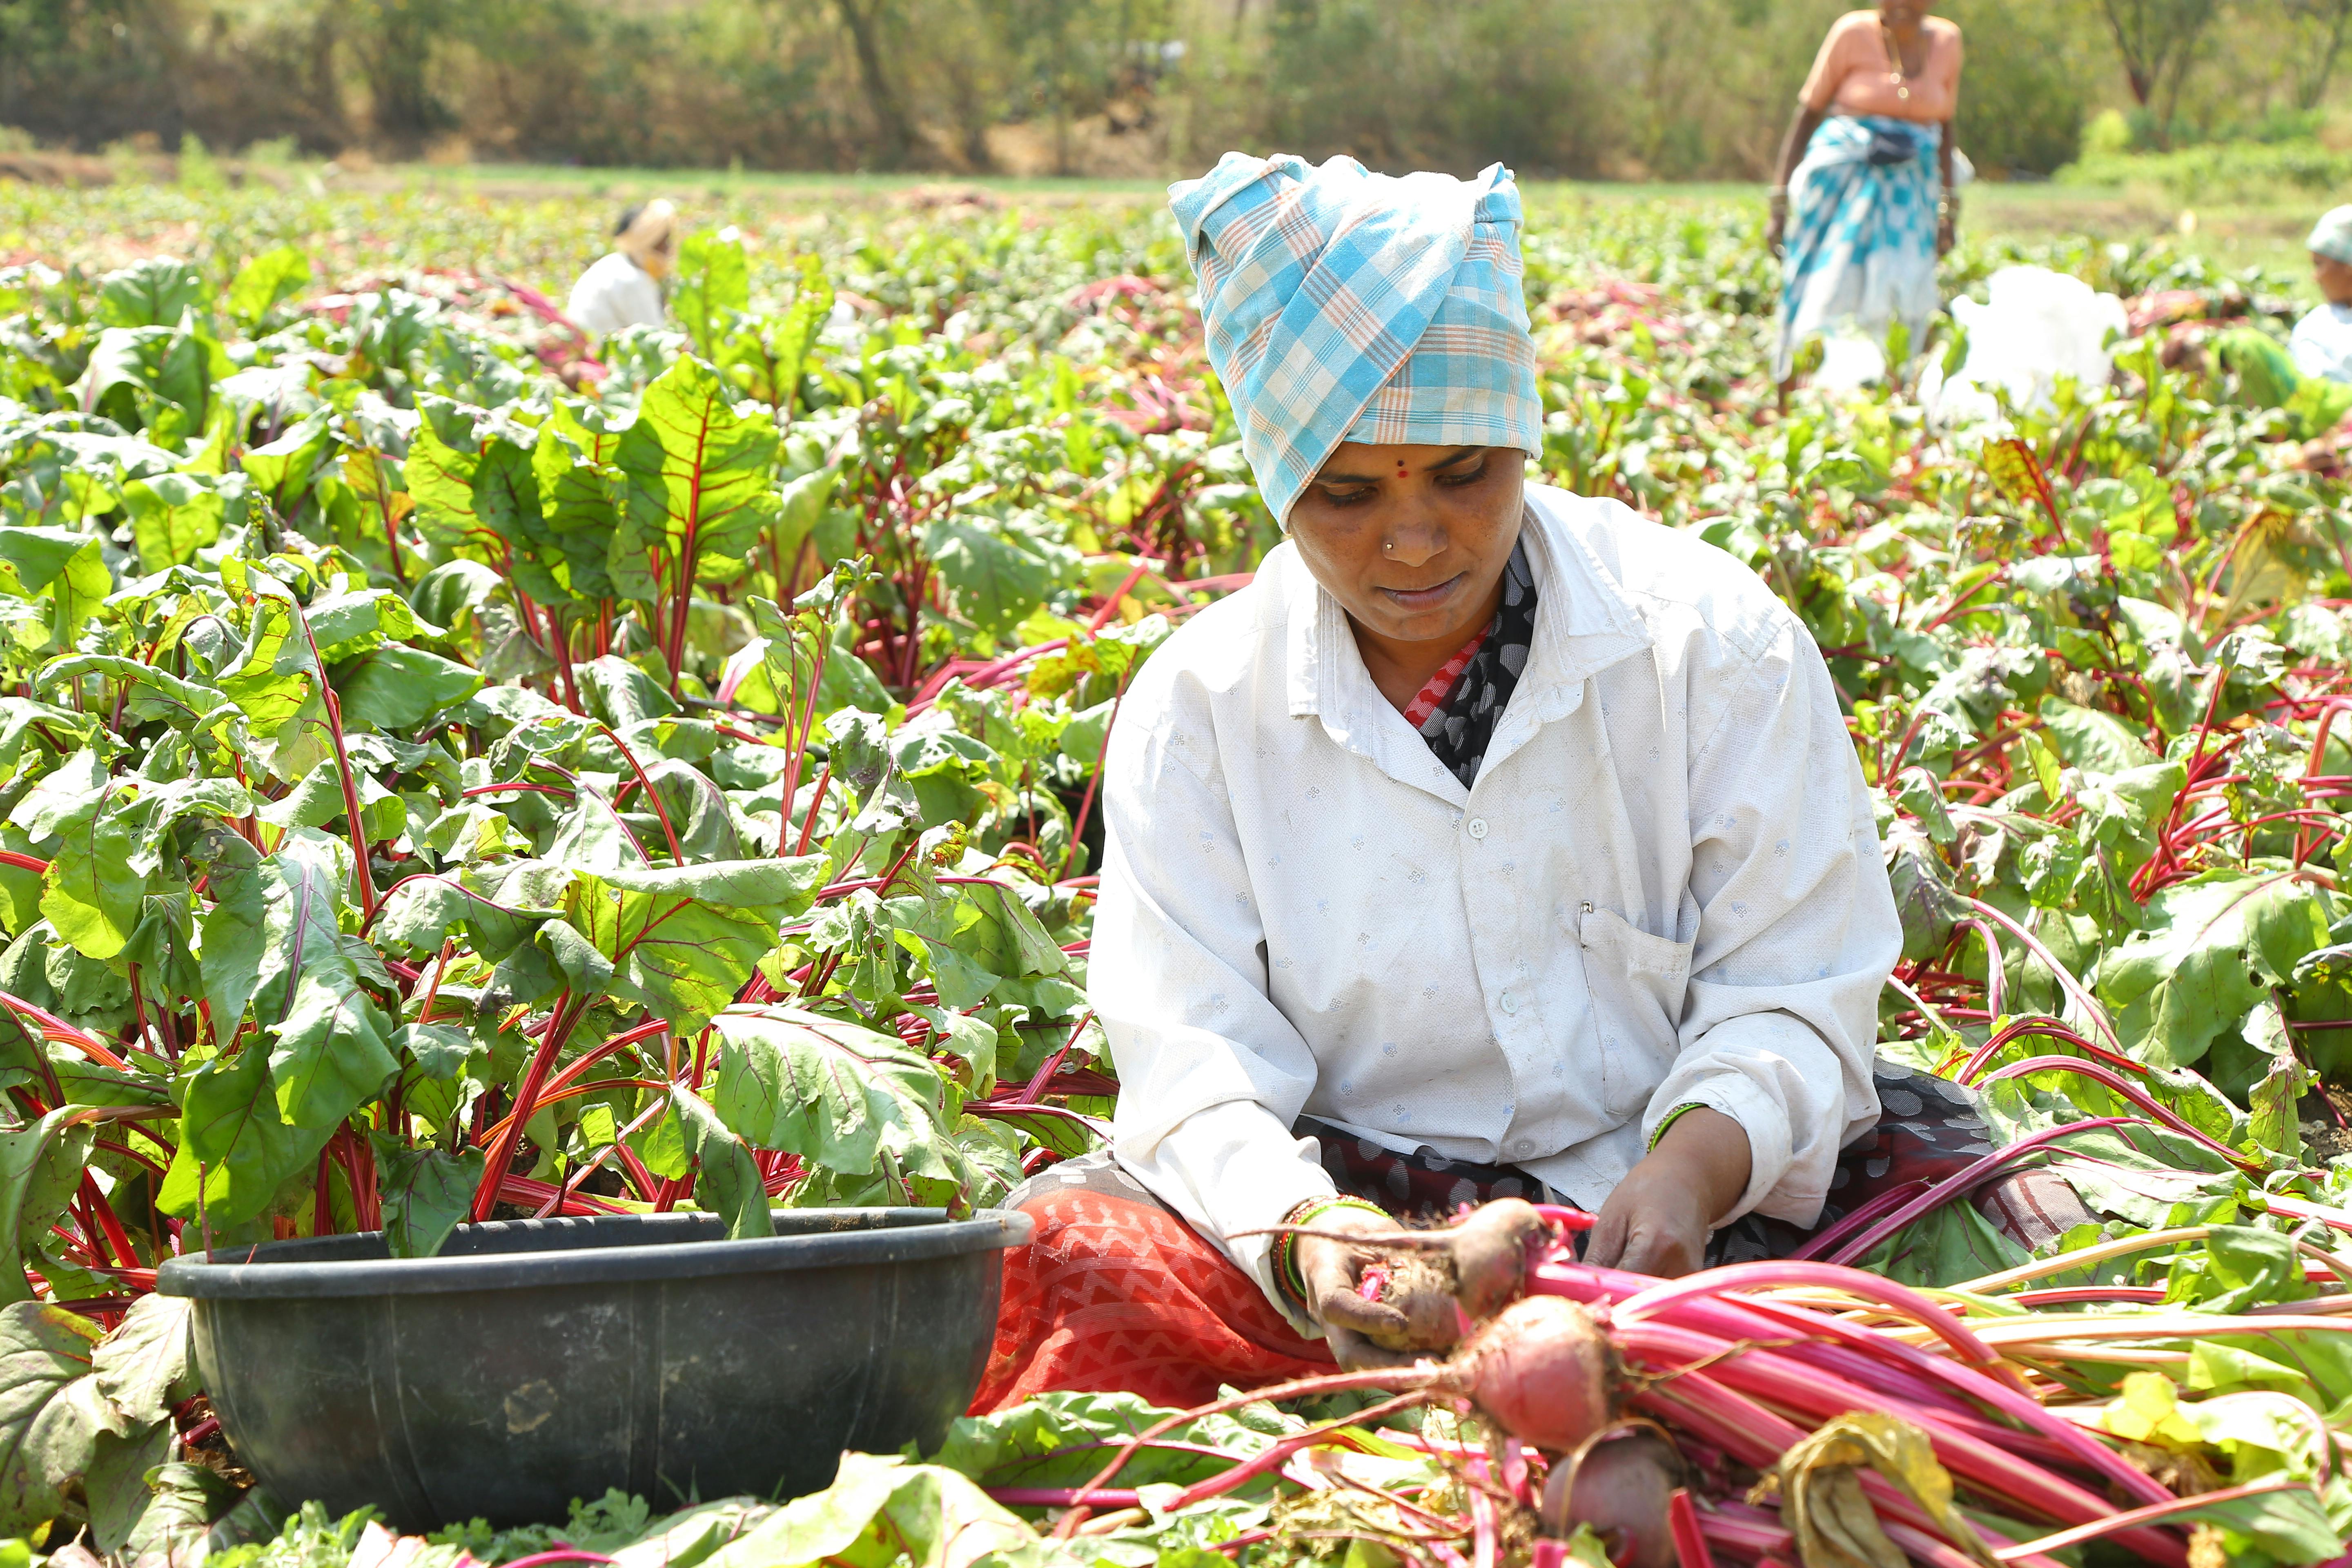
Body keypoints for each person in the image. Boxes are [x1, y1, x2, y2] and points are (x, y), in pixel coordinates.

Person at [971, 154, 2074, 1417]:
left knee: (2002, 1224)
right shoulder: (1202, 707)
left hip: (1686, 1191)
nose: (1414, 538)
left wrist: (1691, 1173)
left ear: (1523, 436)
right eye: (1347, 493)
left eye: (1464, 473)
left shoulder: (1713, 643)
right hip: (1357, 1217)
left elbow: (1796, 983)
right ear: (1275, 478)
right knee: (1055, 1254)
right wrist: (1314, 1237)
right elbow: (1192, 1061)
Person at [1766, 2, 1964, 381]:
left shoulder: (1947, 42)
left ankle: (1889, 390)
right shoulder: (1852, 33)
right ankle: (1802, 384)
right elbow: (1807, 115)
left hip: (1911, 200)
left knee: (1903, 294)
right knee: (1824, 291)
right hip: (1840, 192)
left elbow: (1946, 127)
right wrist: (1779, 204)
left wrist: (1948, 211)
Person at [566, 199, 677, 337]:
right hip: (600, 349)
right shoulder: (632, 280)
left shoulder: (614, 264)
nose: (669, 248)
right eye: (664, 241)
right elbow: (655, 337)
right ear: (651, 242)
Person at [2292, 205, 2352, 384]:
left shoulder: (2317, 330)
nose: (2315, 278)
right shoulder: (2318, 326)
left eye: (2319, 264)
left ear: (2348, 266)